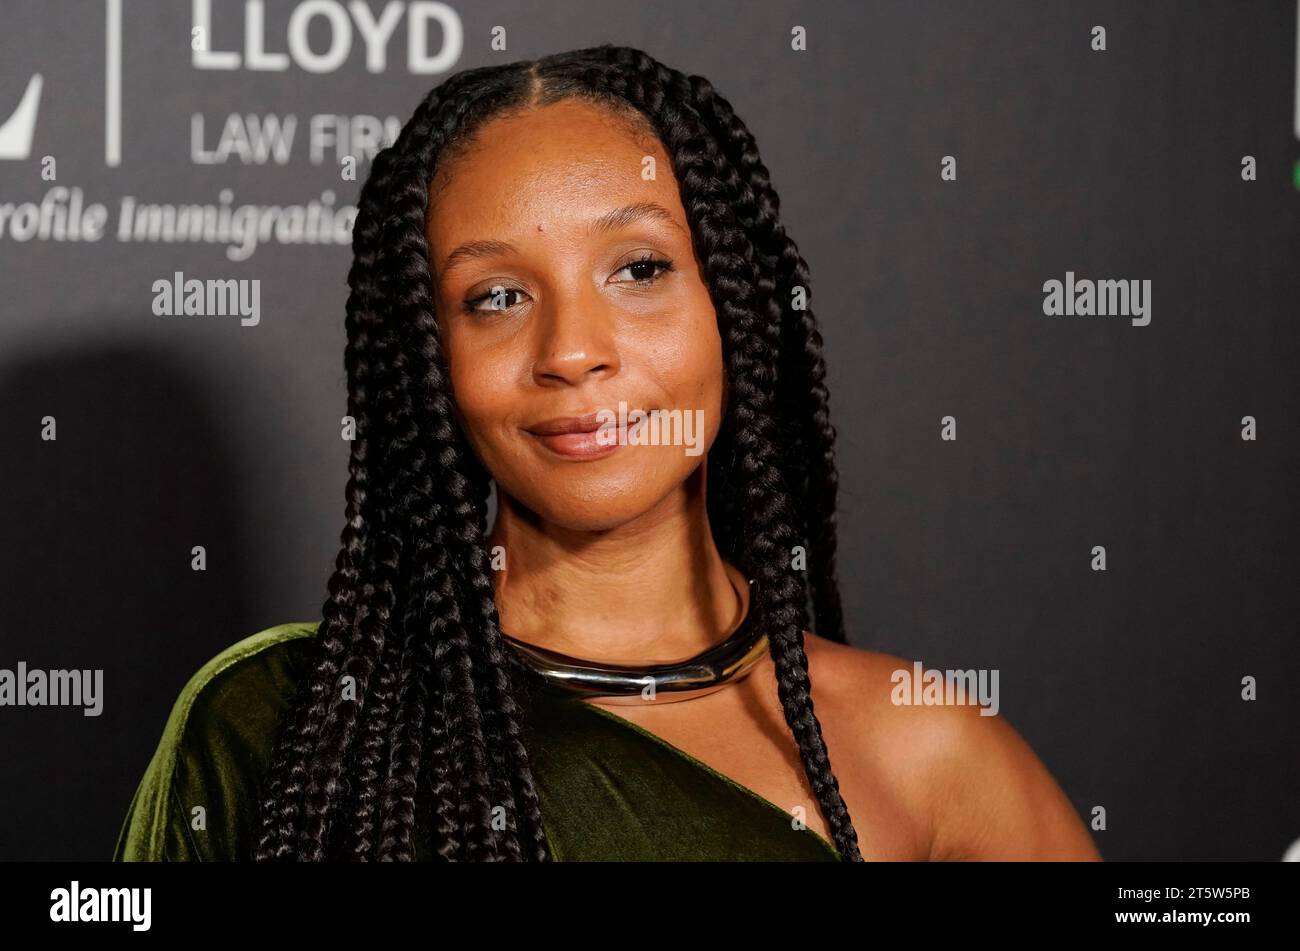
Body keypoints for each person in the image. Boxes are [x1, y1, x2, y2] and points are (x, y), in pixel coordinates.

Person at [113, 44, 1101, 862]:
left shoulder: (926, 748)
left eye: (639, 270)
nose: (571, 351)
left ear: (737, 310)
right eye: (496, 297)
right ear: (426, 360)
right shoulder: (286, 728)